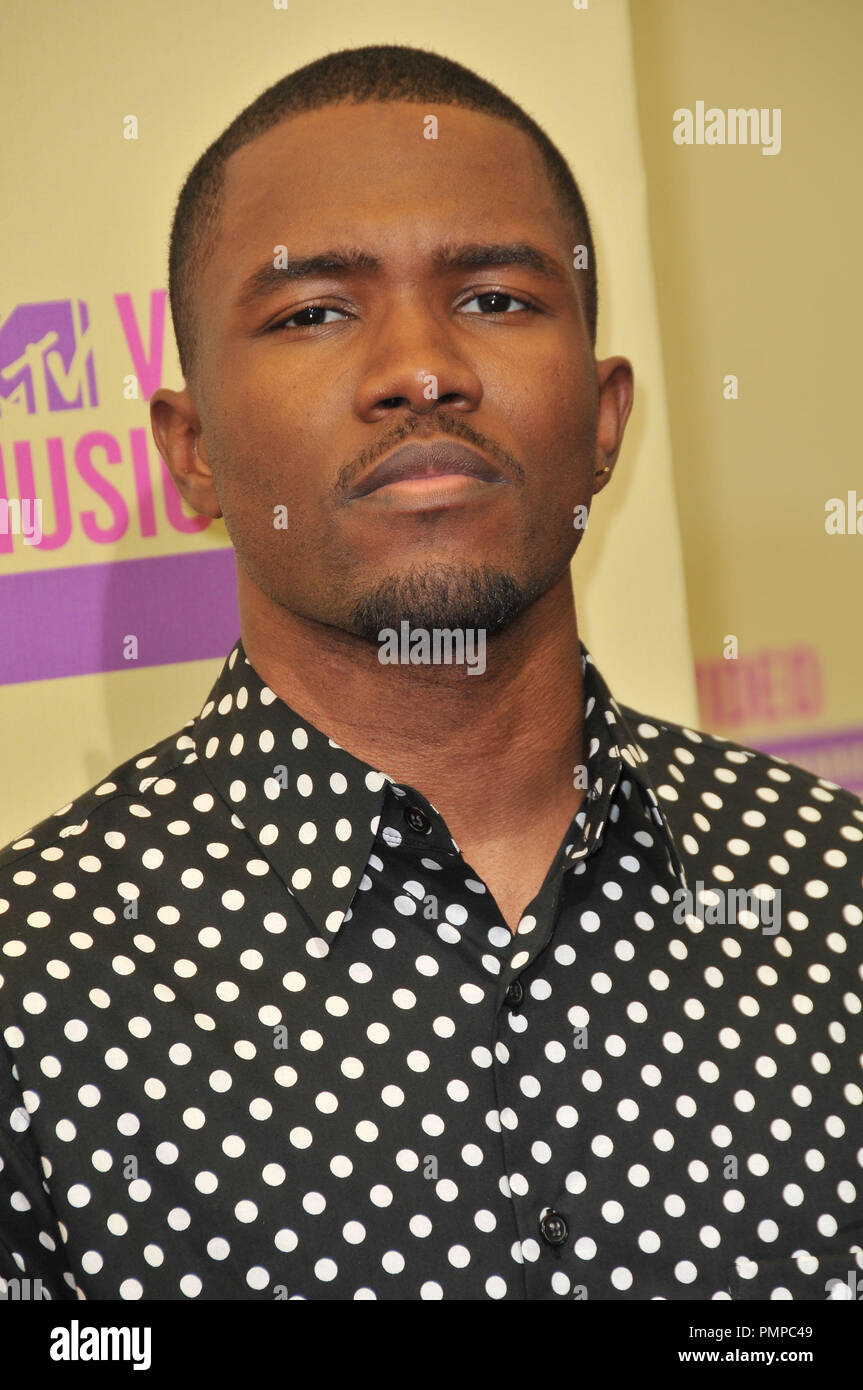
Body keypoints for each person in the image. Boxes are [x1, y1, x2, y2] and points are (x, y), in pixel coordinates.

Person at [1, 44, 861, 1303]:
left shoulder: (831, 899)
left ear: (606, 418)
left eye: (498, 299)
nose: (419, 366)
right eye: (312, 312)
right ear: (189, 453)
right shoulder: (36, 986)